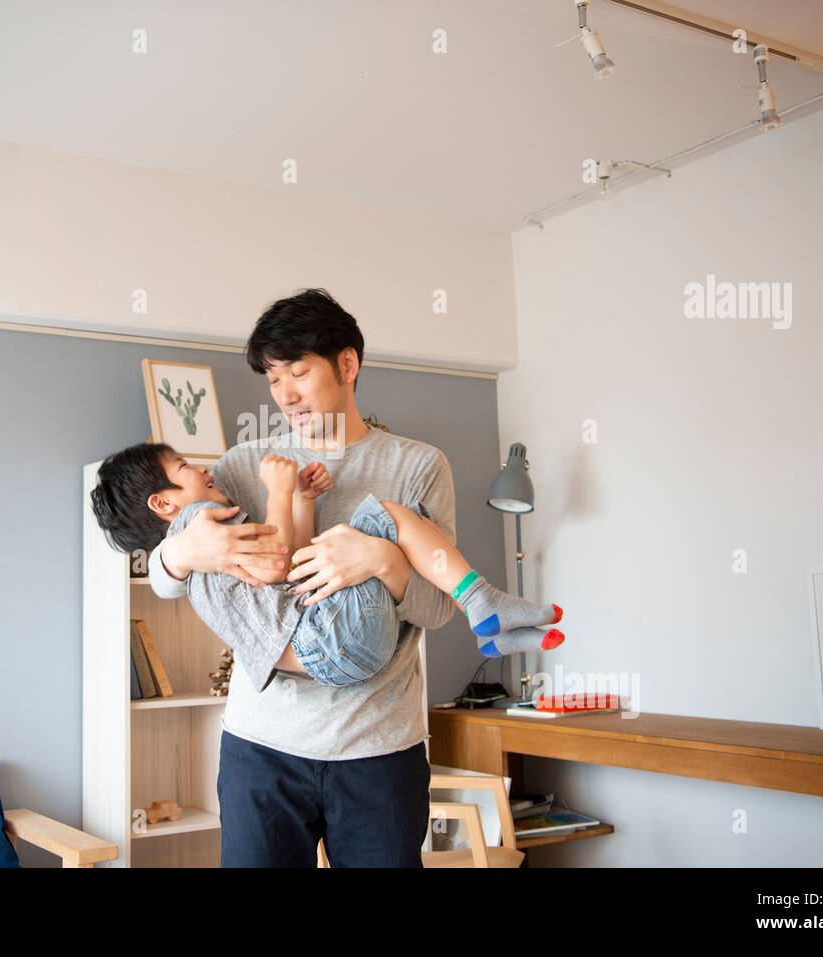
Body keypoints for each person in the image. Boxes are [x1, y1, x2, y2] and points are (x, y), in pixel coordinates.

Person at [145, 288, 517, 867]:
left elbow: (440, 609)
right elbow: (169, 581)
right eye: (273, 379)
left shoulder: (417, 465)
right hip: (261, 749)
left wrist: (385, 563)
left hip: (378, 751)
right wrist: (181, 551)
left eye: (298, 371)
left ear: (347, 365)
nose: (286, 395)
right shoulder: (245, 464)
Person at [90, 443, 564, 691]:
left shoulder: (197, 541)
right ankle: (482, 604)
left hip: (334, 658)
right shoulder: (196, 523)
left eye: (297, 372)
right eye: (182, 467)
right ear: (162, 503)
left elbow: (291, 567)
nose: (200, 469)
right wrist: (277, 490)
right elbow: (278, 564)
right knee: (385, 513)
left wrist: (301, 498)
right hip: (329, 638)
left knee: (376, 528)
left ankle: (486, 619)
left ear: (346, 365)